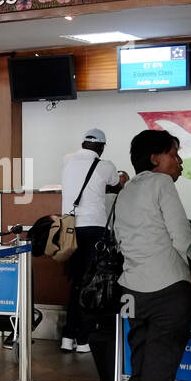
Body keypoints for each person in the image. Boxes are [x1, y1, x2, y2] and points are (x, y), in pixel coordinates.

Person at [99, 129, 191, 381]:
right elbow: (183, 239)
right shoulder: (161, 184)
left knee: (138, 375)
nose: (179, 162)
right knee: (159, 378)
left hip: (132, 291)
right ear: (156, 158)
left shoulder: (127, 190)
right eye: (175, 154)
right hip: (167, 290)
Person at [60, 128, 127, 353]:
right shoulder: (105, 165)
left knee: (77, 281)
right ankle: (83, 339)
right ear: (100, 146)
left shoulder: (68, 162)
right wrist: (123, 178)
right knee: (91, 283)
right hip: (94, 228)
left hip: (69, 229)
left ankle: (67, 337)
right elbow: (117, 185)